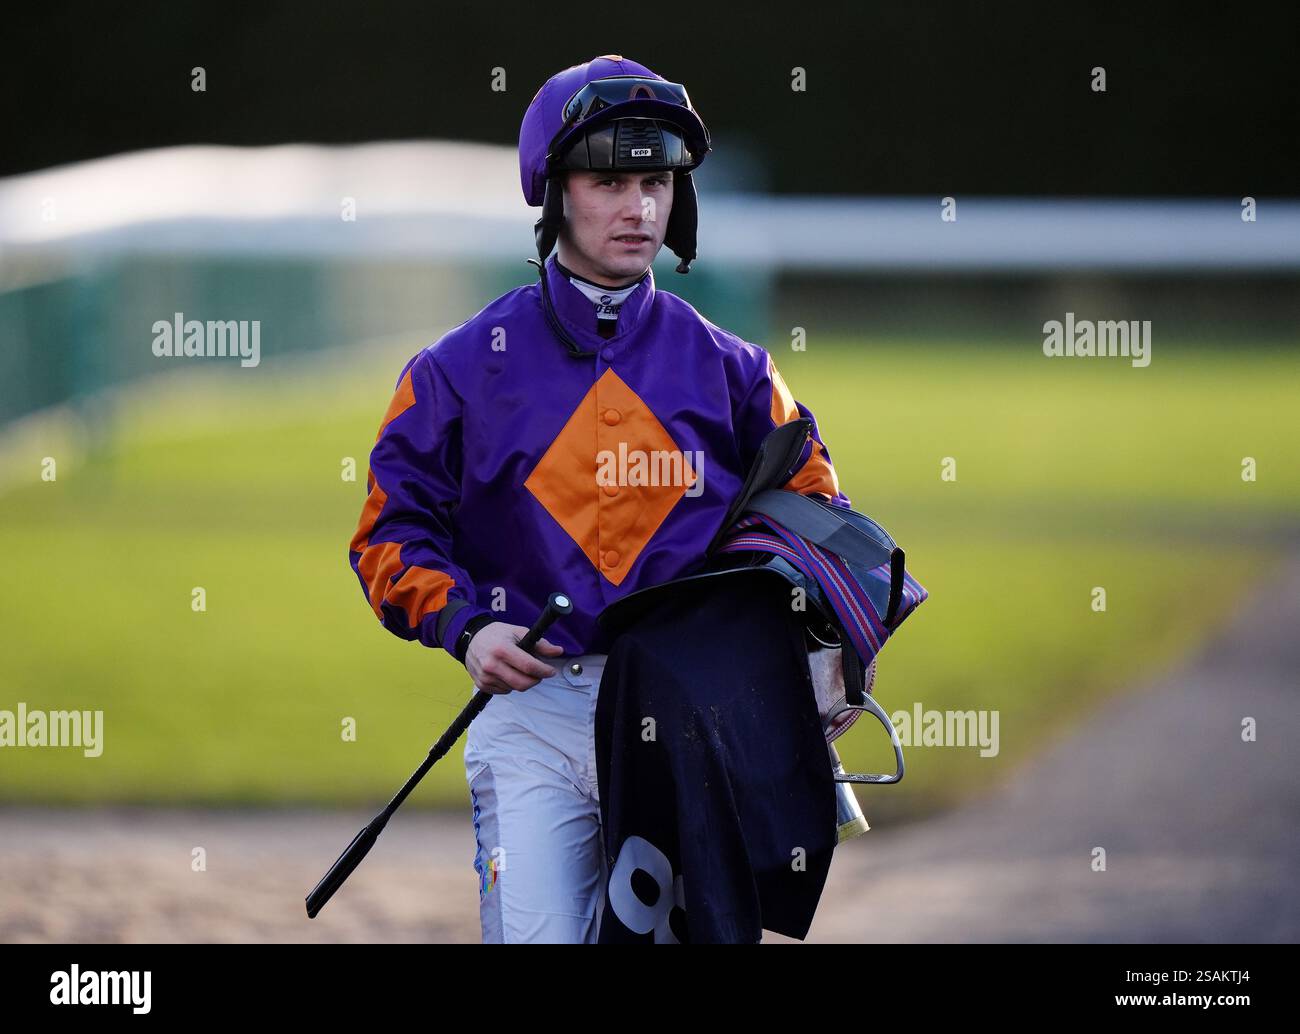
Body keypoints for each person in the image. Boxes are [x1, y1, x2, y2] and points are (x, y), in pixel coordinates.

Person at [348, 54, 852, 943]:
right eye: (609, 181)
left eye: (655, 183)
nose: (639, 208)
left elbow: (816, 531)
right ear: (554, 193)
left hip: (688, 722)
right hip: (531, 722)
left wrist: (815, 658)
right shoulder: (453, 372)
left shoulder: (739, 374)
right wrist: (465, 627)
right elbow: (390, 533)